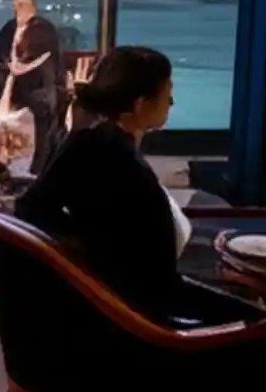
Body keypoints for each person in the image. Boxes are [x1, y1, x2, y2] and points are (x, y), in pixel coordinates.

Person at [13, 46, 189, 322]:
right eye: (167, 93)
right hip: (135, 318)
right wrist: (88, 252)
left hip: (108, 301)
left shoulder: (86, 141)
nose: (172, 102)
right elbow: (156, 277)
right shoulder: (119, 161)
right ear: (139, 104)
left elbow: (32, 205)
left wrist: (84, 251)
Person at [0, 0, 62, 174]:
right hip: (16, 86)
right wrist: (8, 64)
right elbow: (0, 51)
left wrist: (18, 64)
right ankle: (1, 164)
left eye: (23, 5)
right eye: (16, 6)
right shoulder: (10, 27)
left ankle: (40, 168)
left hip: (40, 86)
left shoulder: (42, 28)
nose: (19, 10)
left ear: (33, 6)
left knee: (44, 117)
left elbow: (34, 57)